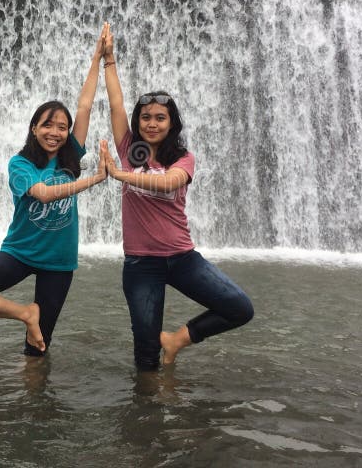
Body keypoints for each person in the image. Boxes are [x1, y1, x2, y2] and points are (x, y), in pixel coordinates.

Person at [99, 26, 254, 370]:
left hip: (182, 258)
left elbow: (169, 183)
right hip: (141, 264)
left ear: (171, 123)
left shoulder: (182, 158)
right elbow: (115, 104)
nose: (152, 124)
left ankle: (178, 339)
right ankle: (148, 414)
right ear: (138, 123)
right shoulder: (129, 149)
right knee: (144, 356)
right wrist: (108, 60)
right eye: (146, 118)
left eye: (160, 118)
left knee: (240, 307)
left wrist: (120, 175)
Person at [0, 24, 110, 356]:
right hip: (20, 253)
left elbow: (84, 106)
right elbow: (44, 194)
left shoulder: (71, 157)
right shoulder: (20, 164)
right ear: (34, 128)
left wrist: (98, 58)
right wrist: (96, 179)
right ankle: (26, 313)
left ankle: (32, 395)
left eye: (62, 127)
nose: (55, 132)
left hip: (59, 261)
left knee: (39, 345)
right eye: (47, 125)